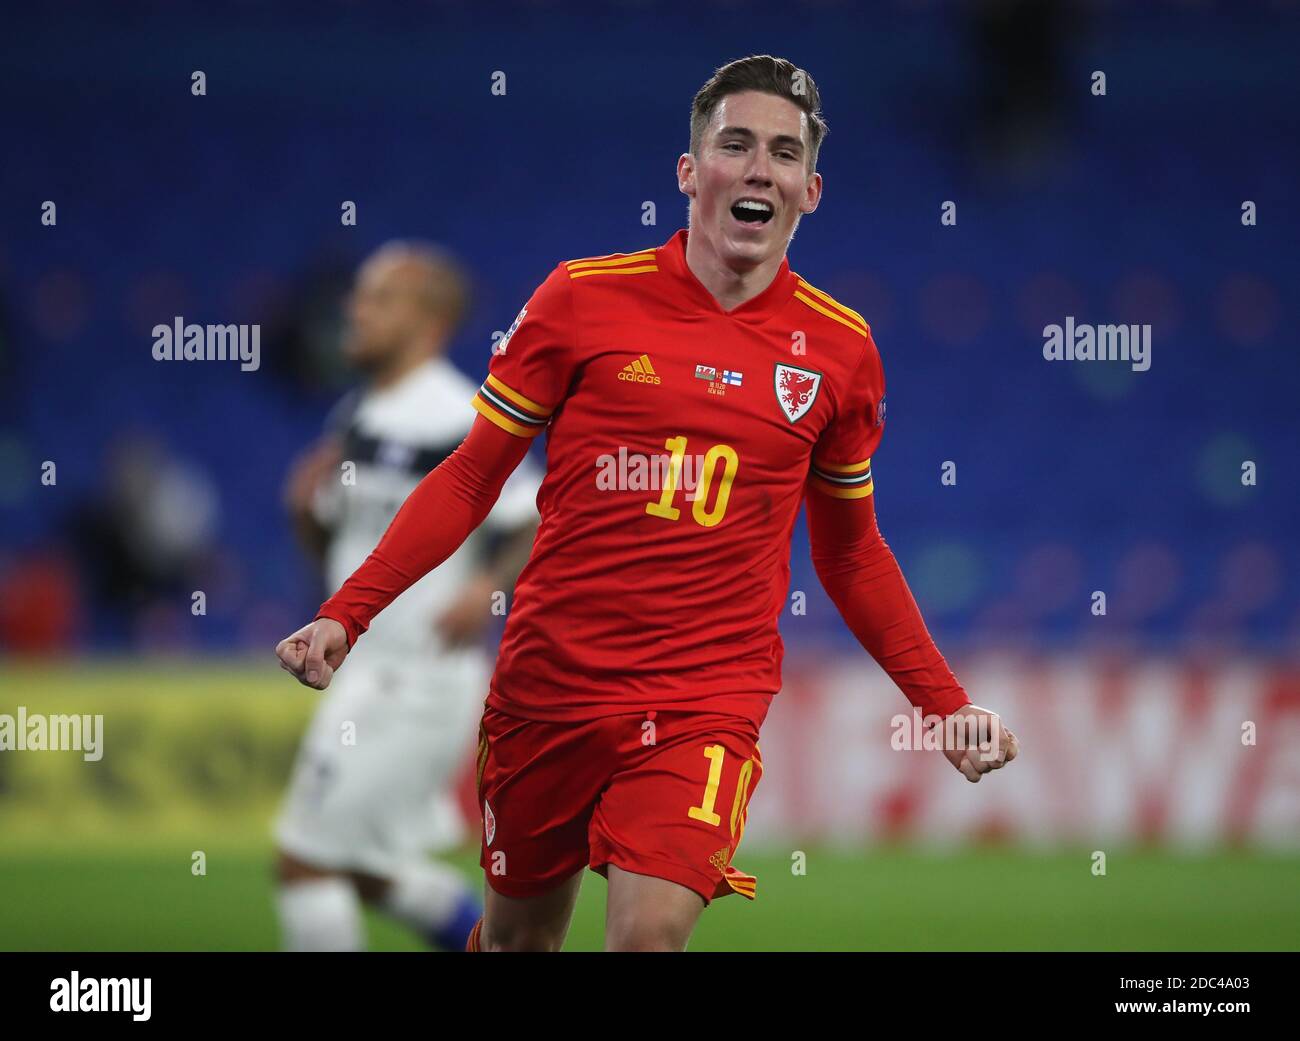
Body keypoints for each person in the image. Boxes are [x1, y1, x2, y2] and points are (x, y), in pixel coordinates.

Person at [276, 55, 1019, 953]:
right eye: (734, 144)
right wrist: (345, 614)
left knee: (648, 935)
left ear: (810, 190)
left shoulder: (839, 350)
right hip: (548, 689)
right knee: (516, 941)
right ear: (689, 171)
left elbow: (852, 553)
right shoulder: (581, 300)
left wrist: (942, 702)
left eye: (783, 154)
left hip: (706, 697)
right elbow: (472, 478)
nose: (758, 169)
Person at [274, 242, 540, 951]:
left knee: (305, 862)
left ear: (428, 321)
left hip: (418, 672)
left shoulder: (455, 413)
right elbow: (338, 549)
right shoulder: (356, 414)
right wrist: (307, 513)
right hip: (365, 668)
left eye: (376, 298)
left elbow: (529, 515)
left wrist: (487, 584)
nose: (354, 311)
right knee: (365, 869)